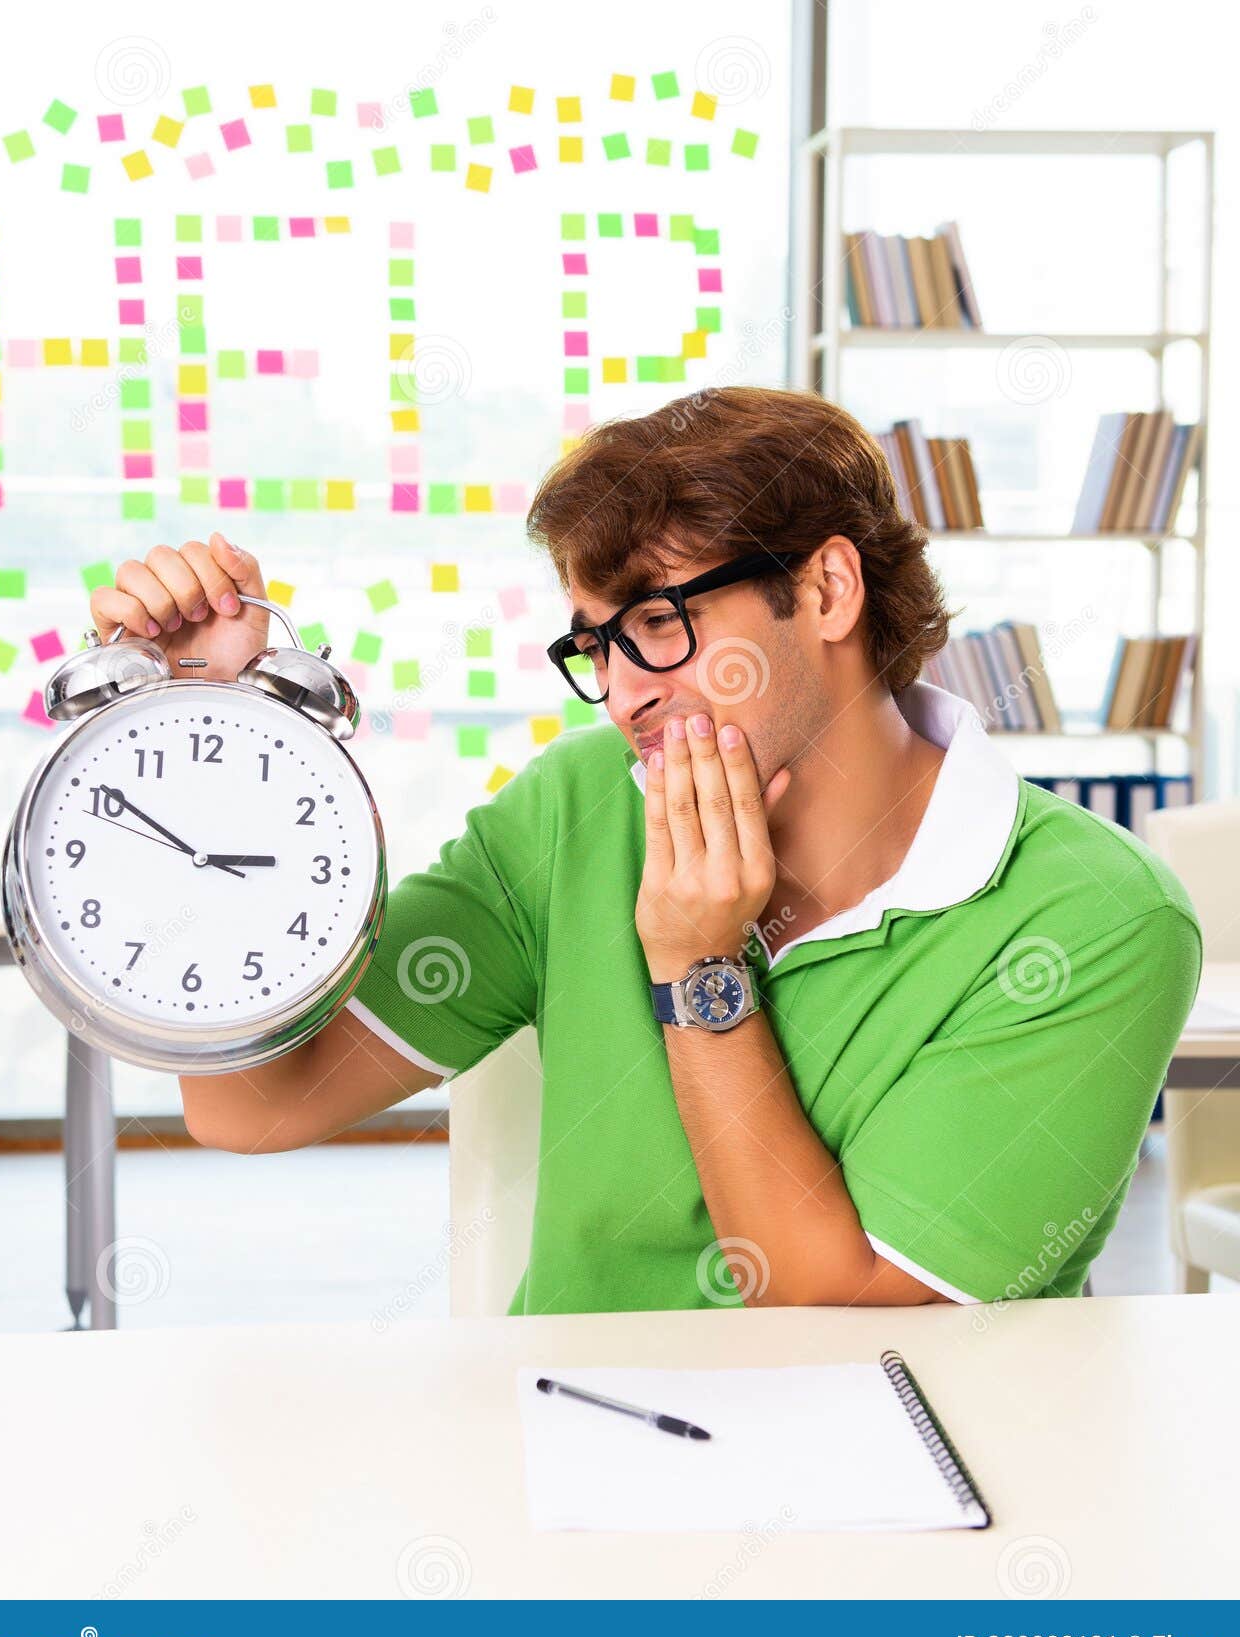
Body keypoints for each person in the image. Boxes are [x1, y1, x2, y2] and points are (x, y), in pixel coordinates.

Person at [89, 385, 1201, 1315]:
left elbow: (833, 1312)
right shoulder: (580, 808)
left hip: (909, 1502)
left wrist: (696, 968)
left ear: (825, 588)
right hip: (566, 1475)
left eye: (659, 623)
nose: (622, 691)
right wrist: (220, 736)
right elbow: (247, 1105)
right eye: (594, 645)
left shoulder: (1096, 919)